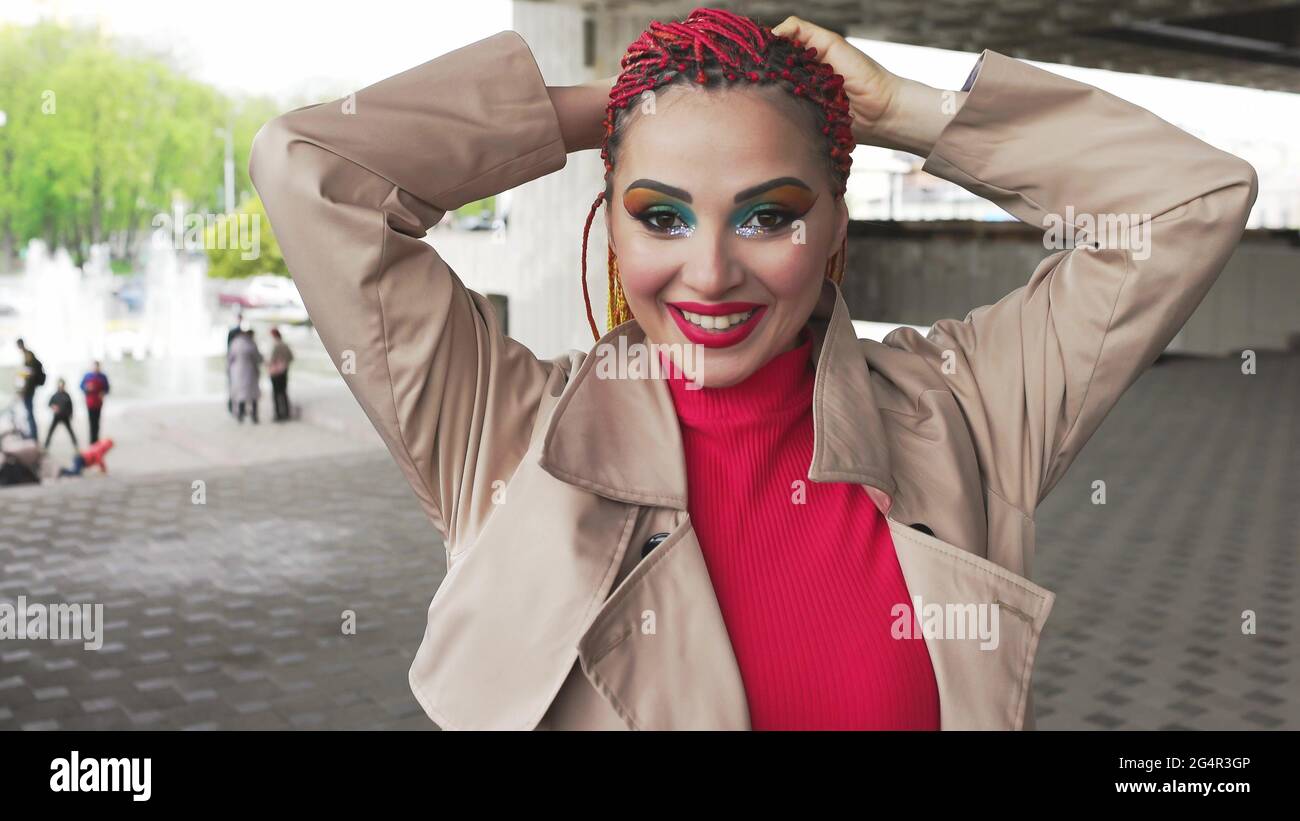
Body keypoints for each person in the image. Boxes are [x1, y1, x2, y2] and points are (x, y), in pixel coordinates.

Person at [250, 9, 1256, 731]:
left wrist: (912, 111)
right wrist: (616, 102)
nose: (711, 269)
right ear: (612, 221)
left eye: (769, 213)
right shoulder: (506, 429)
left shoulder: (963, 410)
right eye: (663, 213)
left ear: (832, 229)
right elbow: (313, 170)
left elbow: (1186, 201)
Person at [227, 328, 263, 423]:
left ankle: (241, 414)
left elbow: (230, 358)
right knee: (253, 395)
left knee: (241, 394)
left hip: (237, 372)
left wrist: (229, 370)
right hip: (250, 371)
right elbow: (257, 357)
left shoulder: (235, 343)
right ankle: (254, 415)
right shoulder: (250, 343)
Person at [14, 339, 45, 441]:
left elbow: (30, 375)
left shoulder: (28, 355)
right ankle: (33, 434)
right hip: (29, 389)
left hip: (29, 390)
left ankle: (33, 435)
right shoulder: (27, 355)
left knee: (30, 412)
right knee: (29, 412)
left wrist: (23, 390)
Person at [267, 327, 294, 421]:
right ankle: (286, 413)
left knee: (275, 394)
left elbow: (271, 360)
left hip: (275, 372)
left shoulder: (275, 345)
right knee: (283, 392)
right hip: (284, 371)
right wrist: (284, 364)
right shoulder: (285, 345)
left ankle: (278, 414)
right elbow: (291, 357)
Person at [79, 360, 110, 444]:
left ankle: (96, 439)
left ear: (99, 367)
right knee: (91, 421)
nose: (95, 368)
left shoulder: (103, 376)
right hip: (89, 402)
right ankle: (92, 440)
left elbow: (107, 389)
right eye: (94, 366)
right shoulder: (87, 376)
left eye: (97, 366)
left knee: (97, 421)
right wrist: (87, 388)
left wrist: (103, 393)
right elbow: (81, 386)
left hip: (99, 402)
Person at [44, 378, 78, 450]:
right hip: (57, 416)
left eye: (62, 385)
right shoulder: (55, 395)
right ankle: (46, 446)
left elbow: (71, 406)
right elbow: (49, 404)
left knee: (70, 431)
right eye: (60, 384)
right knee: (50, 431)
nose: (61, 386)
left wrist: (71, 415)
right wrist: (53, 407)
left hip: (65, 416)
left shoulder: (67, 395)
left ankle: (76, 445)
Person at [226, 309, 244, 415]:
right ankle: (232, 406)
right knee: (233, 386)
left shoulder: (241, 331)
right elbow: (230, 350)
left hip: (239, 364)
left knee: (238, 387)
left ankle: (238, 407)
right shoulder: (234, 332)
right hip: (235, 364)